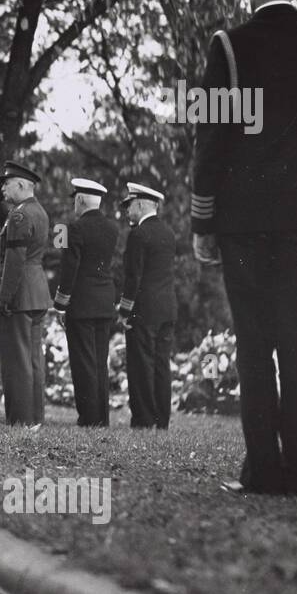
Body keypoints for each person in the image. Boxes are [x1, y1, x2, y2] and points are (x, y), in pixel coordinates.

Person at [191, 0, 297, 494]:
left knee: (254, 345)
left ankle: (262, 473)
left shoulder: (230, 46)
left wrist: (202, 218)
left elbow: (210, 136)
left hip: (244, 216)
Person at [52, 177, 119, 427]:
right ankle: (101, 417)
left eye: (74, 201)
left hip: (81, 303)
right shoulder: (112, 228)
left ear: (80, 200)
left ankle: (88, 417)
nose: (73, 207)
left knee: (83, 362)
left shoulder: (73, 228)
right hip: (104, 300)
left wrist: (60, 303)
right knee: (100, 361)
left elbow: (68, 268)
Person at [0, 160, 51, 426]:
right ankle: (35, 418)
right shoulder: (37, 211)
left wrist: (4, 298)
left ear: (20, 184)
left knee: (17, 360)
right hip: (37, 291)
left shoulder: (19, 215)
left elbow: (14, 261)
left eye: (6, 184)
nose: (3, 189)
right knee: (34, 359)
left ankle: (20, 420)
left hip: (20, 294)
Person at [119, 182, 177, 430]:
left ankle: (143, 420)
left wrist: (124, 310)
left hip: (144, 309)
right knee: (162, 365)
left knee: (141, 365)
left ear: (141, 204)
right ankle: (161, 420)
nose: (127, 211)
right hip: (167, 308)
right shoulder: (168, 232)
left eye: (129, 205)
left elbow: (134, 277)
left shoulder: (139, 234)